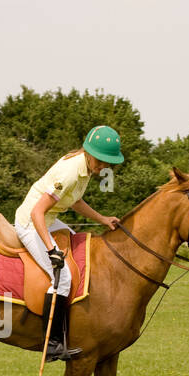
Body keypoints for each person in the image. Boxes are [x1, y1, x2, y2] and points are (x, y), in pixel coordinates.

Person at [13, 125, 124, 361]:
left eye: (107, 162)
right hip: (31, 222)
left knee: (77, 249)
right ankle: (51, 343)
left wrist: (102, 219)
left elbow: (74, 202)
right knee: (62, 277)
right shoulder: (71, 172)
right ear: (89, 151)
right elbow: (36, 213)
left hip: (49, 218)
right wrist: (51, 249)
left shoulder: (84, 168)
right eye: (100, 160)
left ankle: (72, 325)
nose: (103, 166)